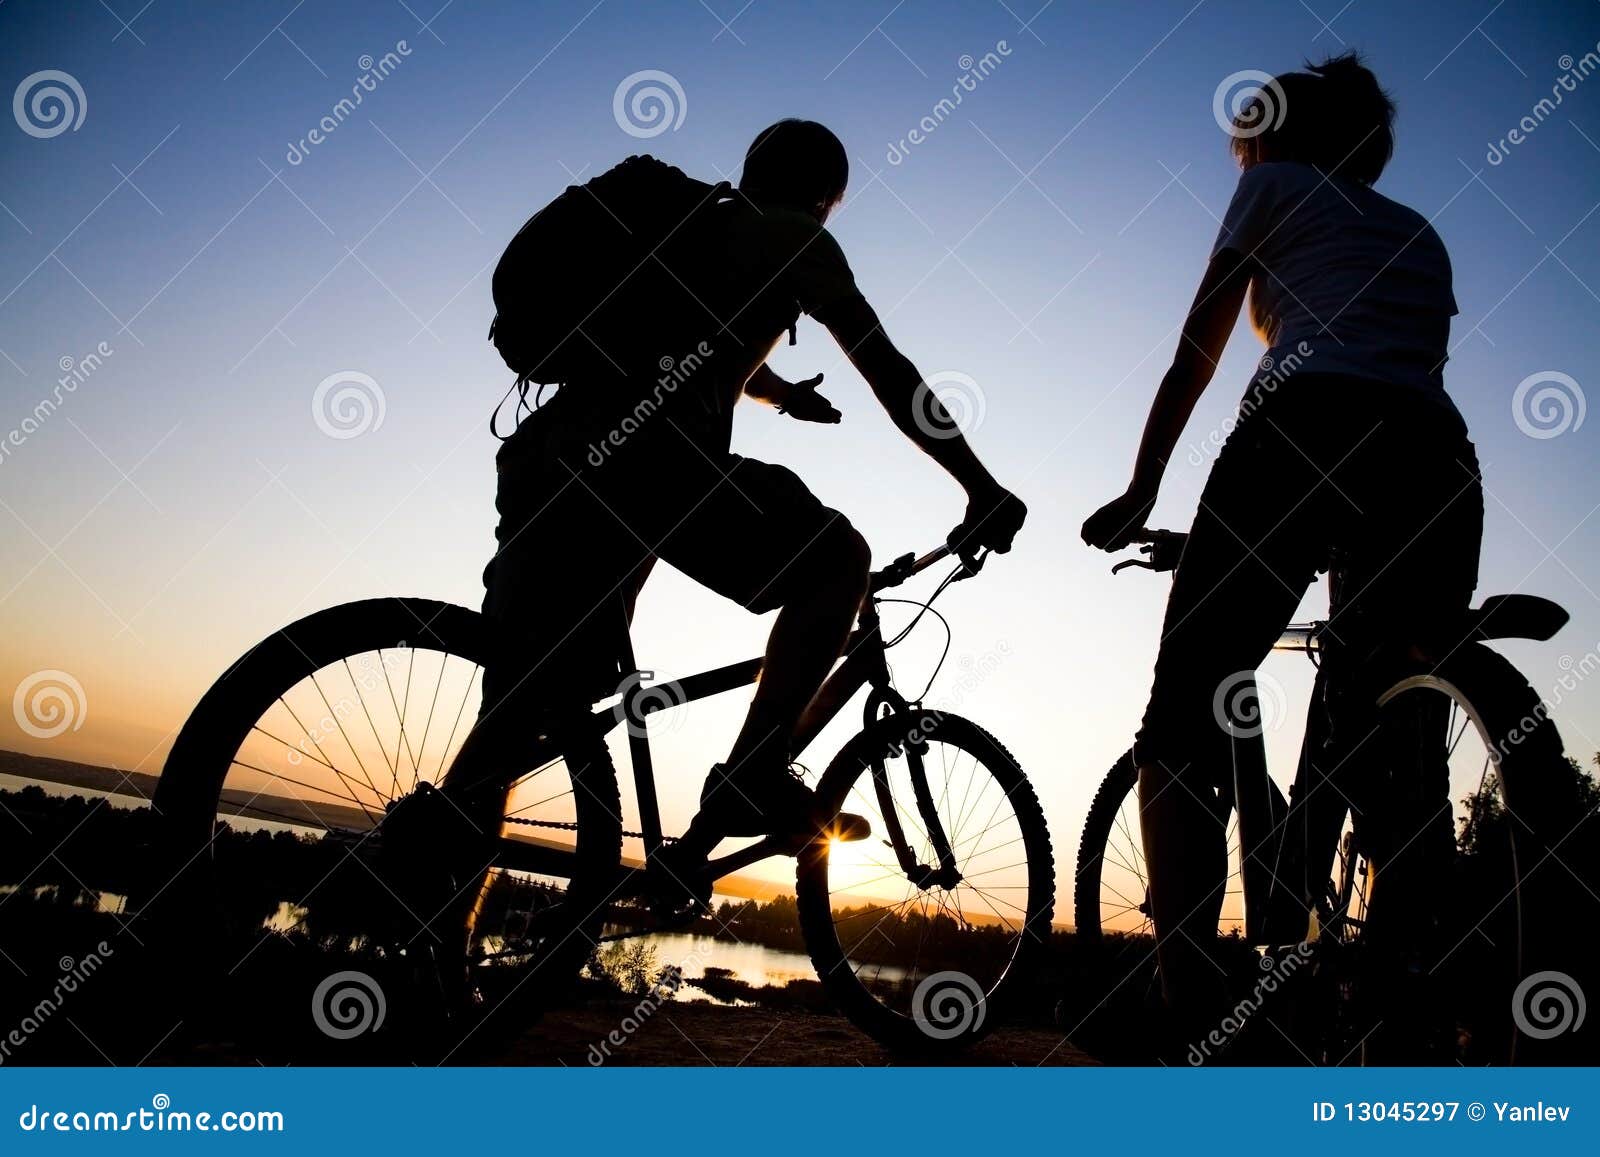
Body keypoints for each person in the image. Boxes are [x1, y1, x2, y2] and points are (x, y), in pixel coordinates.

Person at [448, 119, 1026, 864]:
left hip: (551, 455)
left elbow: (711, 353)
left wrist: (782, 395)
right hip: (646, 464)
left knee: (520, 710)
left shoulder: (695, 234)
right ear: (825, 197)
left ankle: (419, 925)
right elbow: (887, 366)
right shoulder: (795, 237)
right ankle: (751, 777)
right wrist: (979, 484)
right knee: (836, 559)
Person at [1081, 54, 1482, 1044]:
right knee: (1396, 721)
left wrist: (1141, 488)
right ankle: (1388, 992)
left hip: (1300, 436)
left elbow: (1198, 351)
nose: (1239, 162)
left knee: (1181, 711)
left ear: (1272, 139)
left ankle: (1182, 996)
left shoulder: (1273, 185)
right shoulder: (1416, 232)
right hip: (1433, 462)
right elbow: (1396, 378)